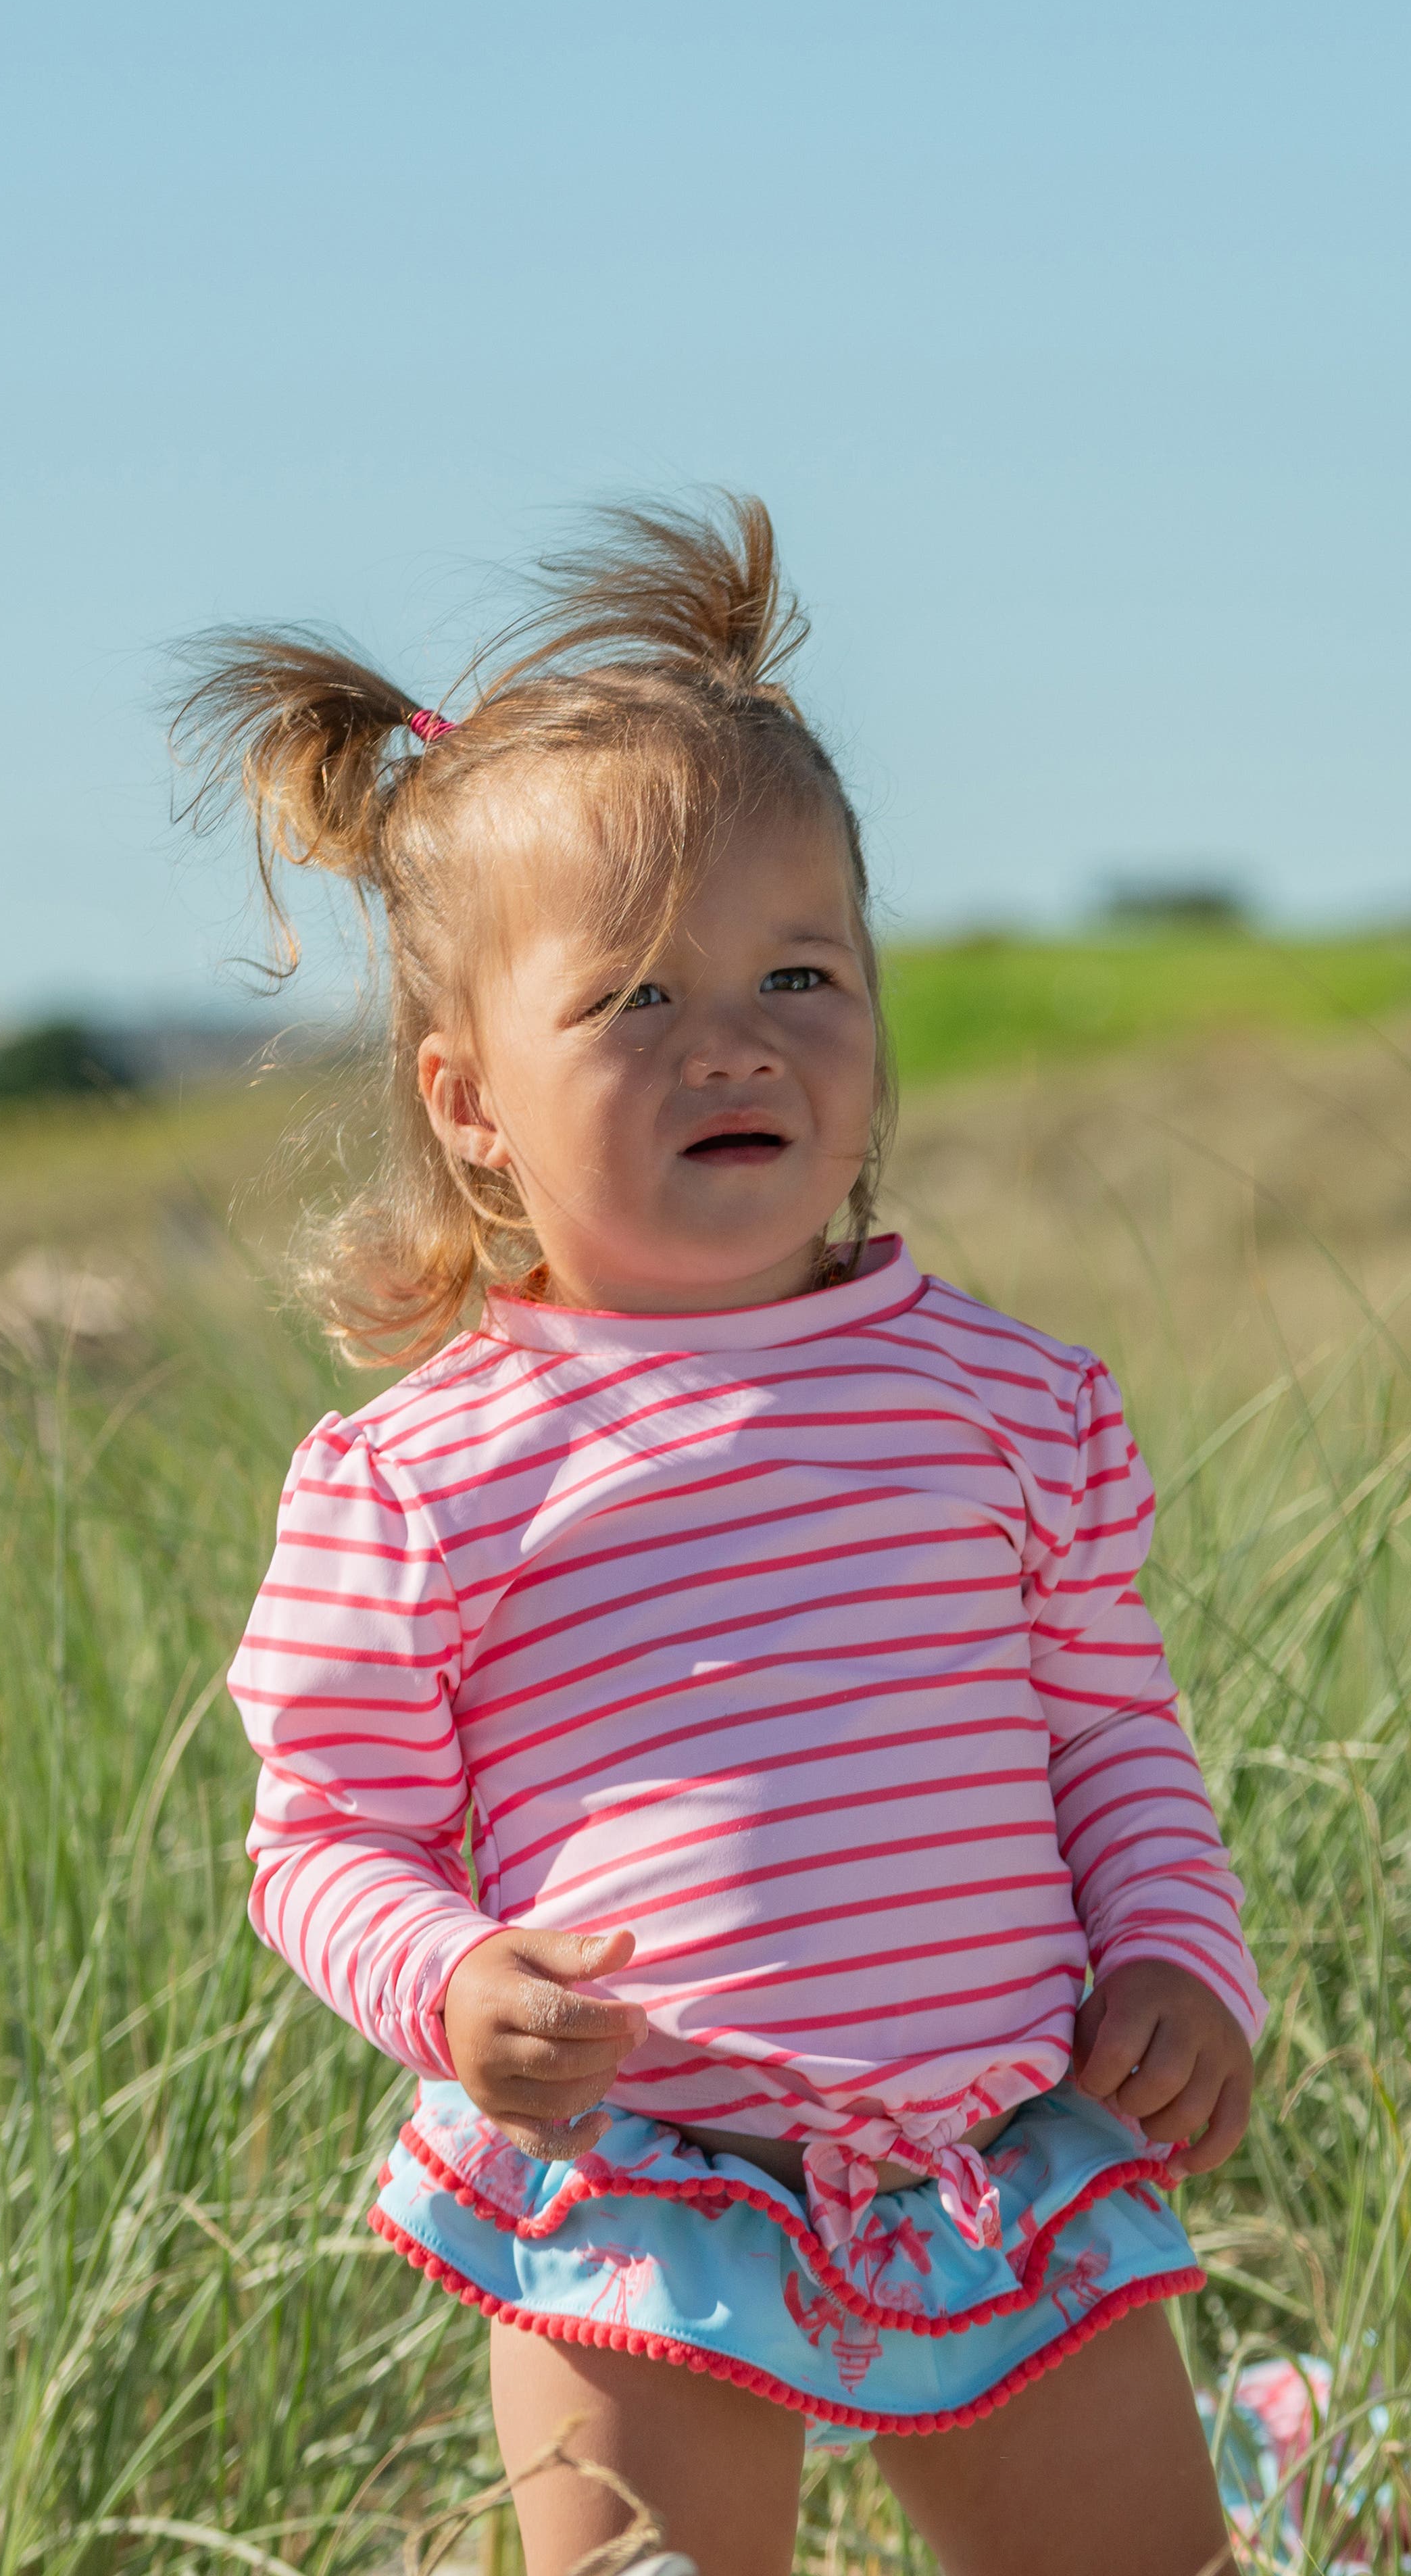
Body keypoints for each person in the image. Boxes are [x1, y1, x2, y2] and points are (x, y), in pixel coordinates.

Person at [181, 498, 1261, 2576]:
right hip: (641, 2178)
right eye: (637, 1002)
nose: (739, 1037)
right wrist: (452, 1985)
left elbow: (1111, 1737)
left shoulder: (1007, 1402)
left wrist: (1178, 1958)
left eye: (799, 972)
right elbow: (320, 1834)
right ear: (470, 1097)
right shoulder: (427, 1474)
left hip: (998, 2162)